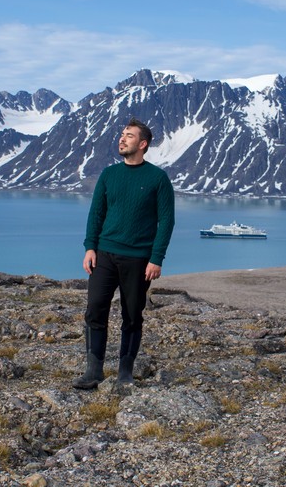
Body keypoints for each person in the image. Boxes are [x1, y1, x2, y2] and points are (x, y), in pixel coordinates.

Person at [74, 117, 175, 389]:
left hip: (139, 259)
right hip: (105, 254)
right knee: (95, 309)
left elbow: (166, 221)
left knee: (132, 315)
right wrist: (90, 247)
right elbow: (96, 213)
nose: (122, 139)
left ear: (142, 144)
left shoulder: (158, 179)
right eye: (122, 134)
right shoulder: (109, 175)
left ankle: (125, 372)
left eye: (129, 136)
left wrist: (156, 258)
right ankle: (93, 371)